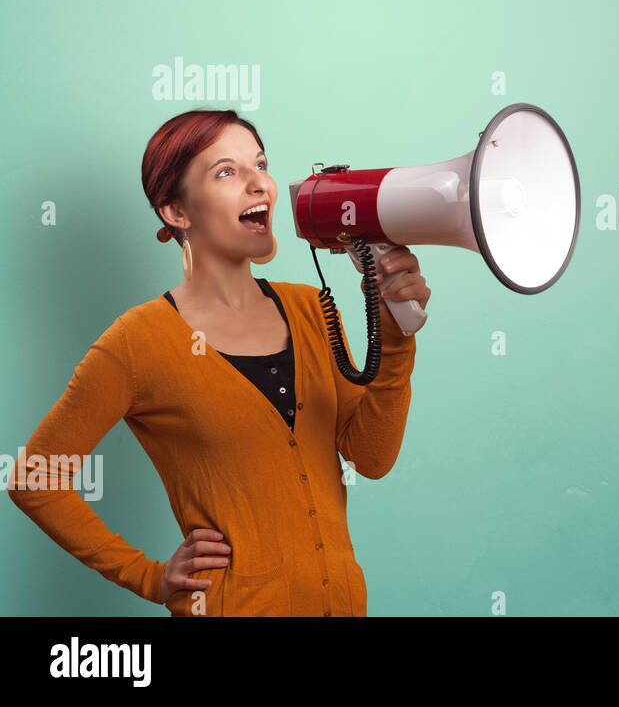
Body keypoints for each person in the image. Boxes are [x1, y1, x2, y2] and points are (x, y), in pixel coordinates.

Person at [7, 108, 429, 616]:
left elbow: (372, 458)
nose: (260, 185)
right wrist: (148, 576)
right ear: (175, 212)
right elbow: (35, 477)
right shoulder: (137, 343)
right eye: (226, 172)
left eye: (261, 164)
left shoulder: (311, 309)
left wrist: (395, 333)